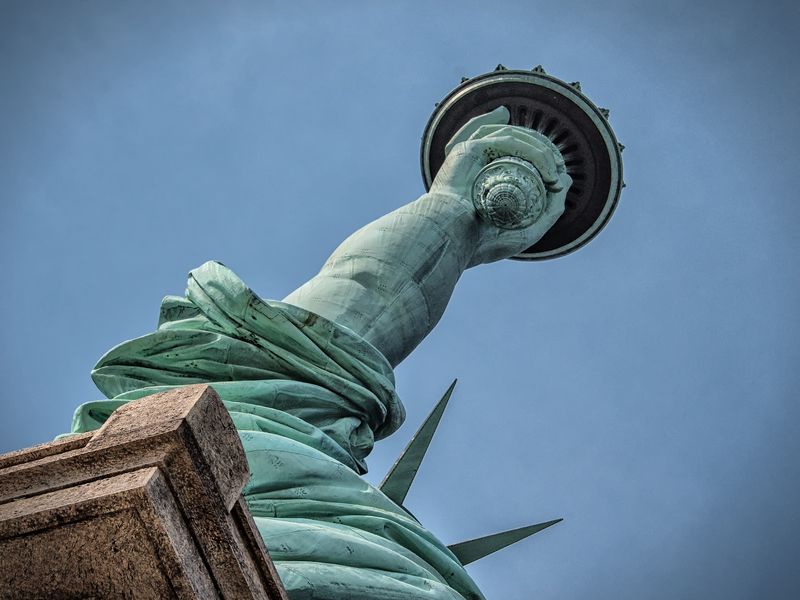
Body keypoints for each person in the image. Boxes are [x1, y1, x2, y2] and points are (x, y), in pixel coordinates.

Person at [68, 106, 571, 599]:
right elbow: (342, 320)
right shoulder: (274, 404)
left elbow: (327, 340)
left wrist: (457, 215)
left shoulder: (280, 404)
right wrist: (454, 214)